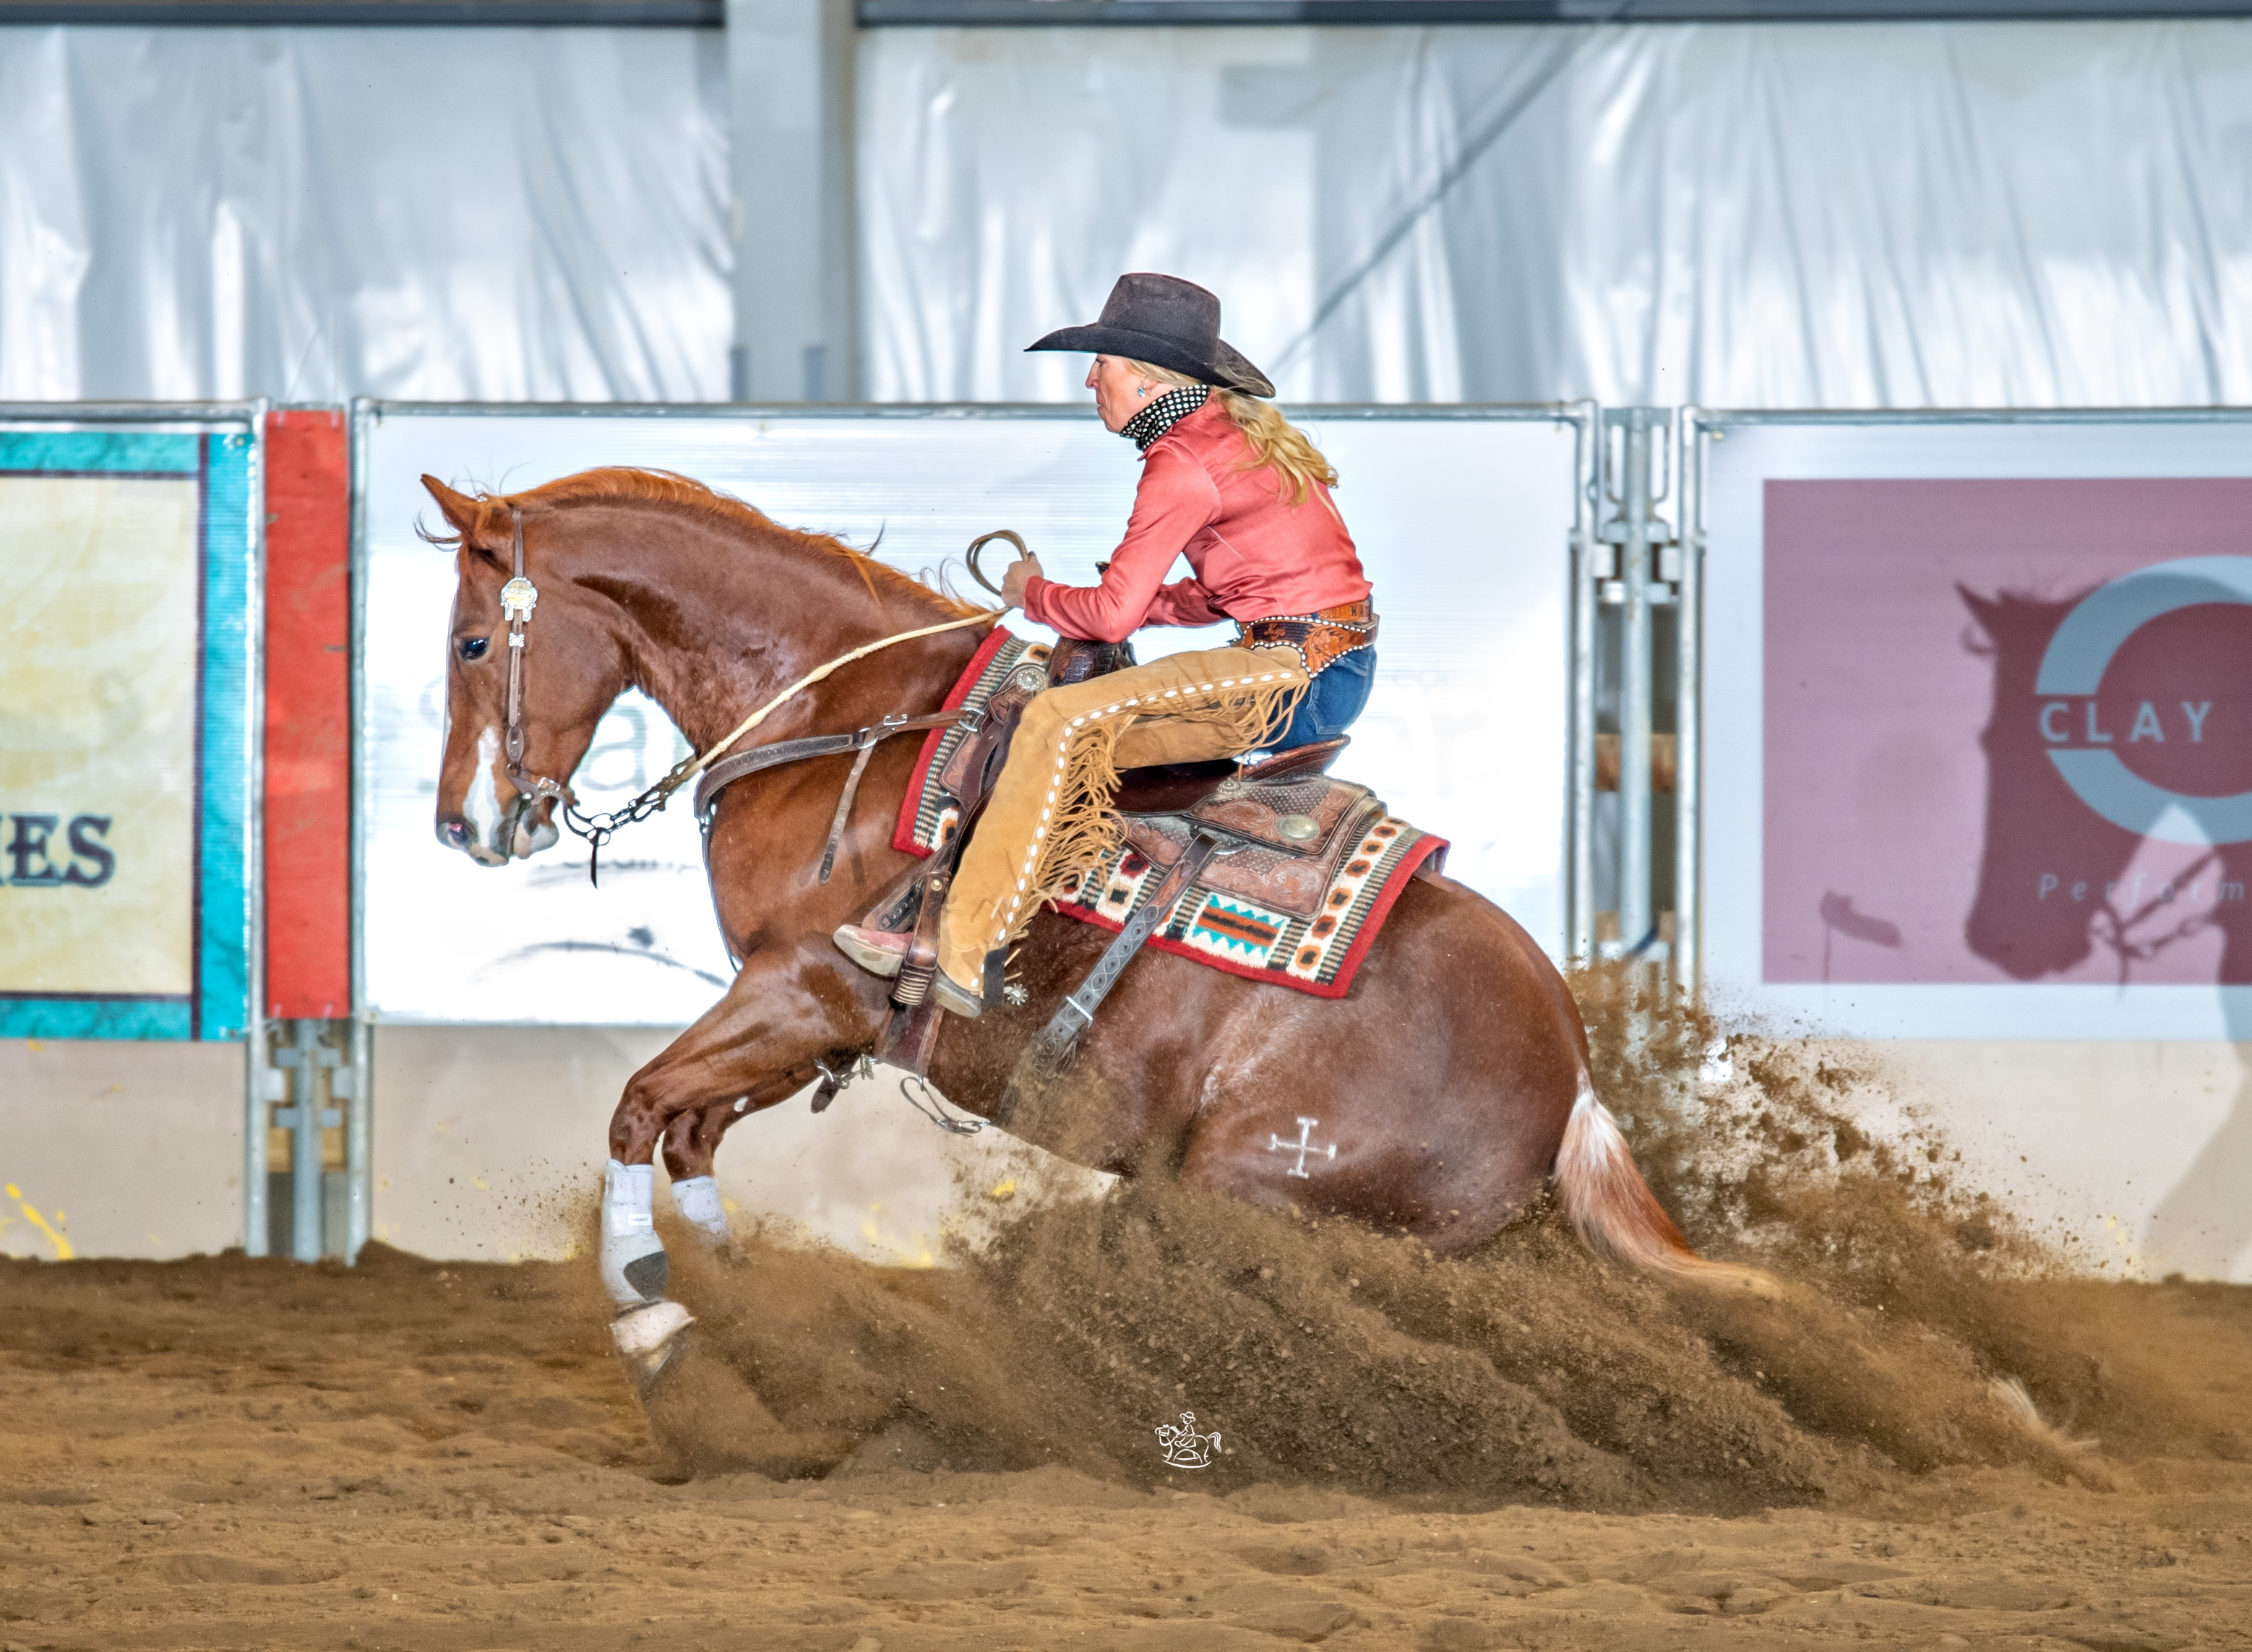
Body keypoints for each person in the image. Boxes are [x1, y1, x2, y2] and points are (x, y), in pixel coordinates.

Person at [833, 272, 1379, 1016]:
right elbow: (1217, 595)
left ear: (1150, 383)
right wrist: (1135, 607)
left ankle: (963, 953)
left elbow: (1109, 617)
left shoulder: (1182, 462)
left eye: (1105, 365)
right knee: (1084, 744)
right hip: (1316, 665)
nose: (1091, 378)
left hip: (1289, 674)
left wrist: (1027, 592)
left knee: (1055, 722)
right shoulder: (1222, 441)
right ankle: (1004, 924)